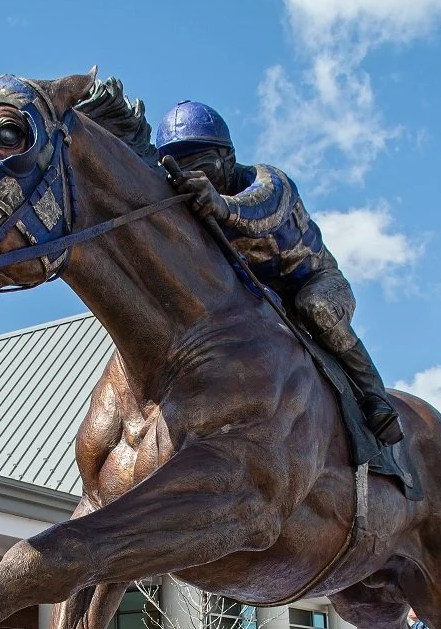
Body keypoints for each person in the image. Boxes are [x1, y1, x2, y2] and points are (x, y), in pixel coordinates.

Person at [158, 101, 402, 445]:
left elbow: (261, 211)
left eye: (206, 169)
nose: (199, 181)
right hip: (260, 294)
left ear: (228, 159)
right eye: (184, 174)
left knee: (315, 305)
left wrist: (221, 205)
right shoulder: (196, 206)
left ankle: (373, 395)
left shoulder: (271, 182)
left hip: (315, 283)